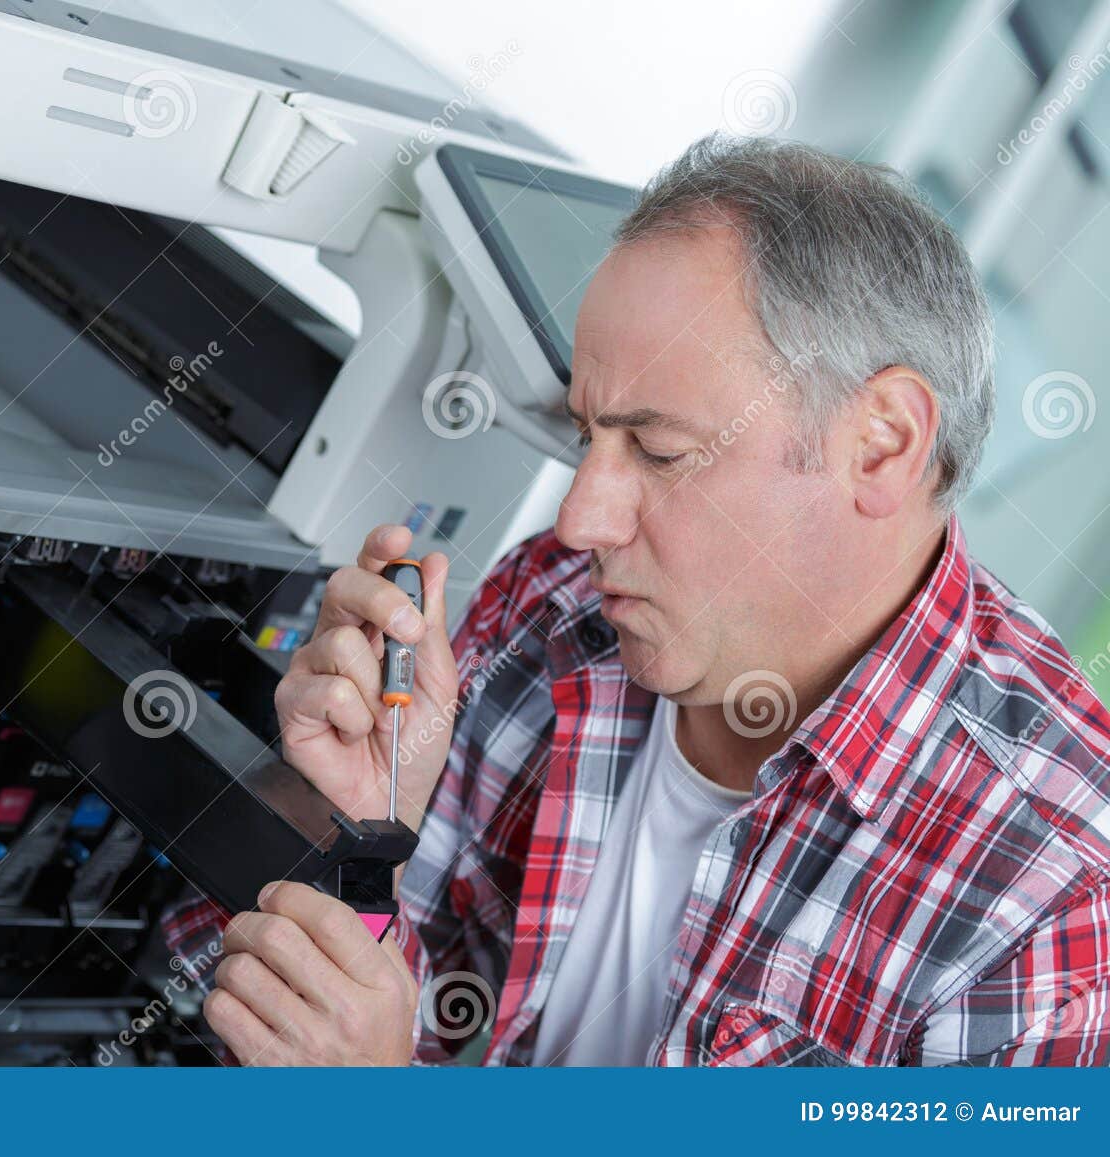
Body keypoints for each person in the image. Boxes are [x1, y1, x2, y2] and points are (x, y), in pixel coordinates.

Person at [162, 134, 1110, 1065]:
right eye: (586, 438)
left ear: (881, 445)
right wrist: (353, 839)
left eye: (659, 452)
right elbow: (228, 995)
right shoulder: (557, 604)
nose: (580, 519)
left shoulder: (1054, 905)